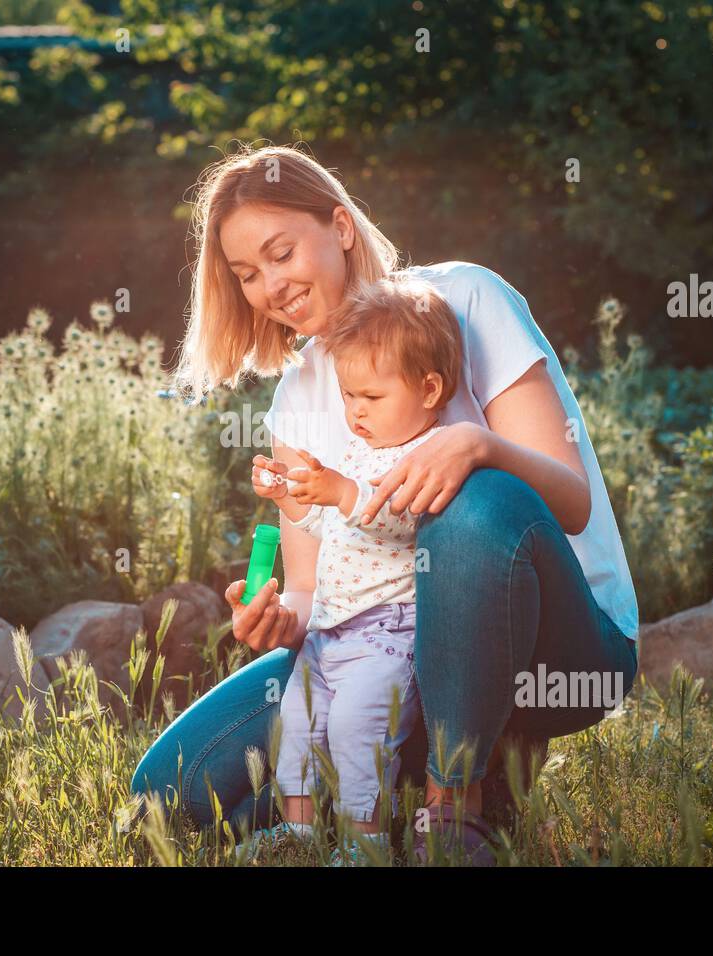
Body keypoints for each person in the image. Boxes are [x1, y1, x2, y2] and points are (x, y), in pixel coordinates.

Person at [132, 143, 639, 864]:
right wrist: (279, 617)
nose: (270, 285)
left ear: (340, 225)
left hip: (556, 649)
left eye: (281, 253)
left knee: (474, 498)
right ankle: (355, 798)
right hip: (368, 649)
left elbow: (573, 502)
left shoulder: (467, 298)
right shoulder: (293, 403)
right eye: (247, 274)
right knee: (165, 789)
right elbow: (311, 595)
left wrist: (477, 445)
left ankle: (451, 816)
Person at [252, 274, 460, 861]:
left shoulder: (429, 454)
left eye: (371, 398)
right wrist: (291, 498)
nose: (355, 411)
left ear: (428, 388)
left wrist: (341, 490)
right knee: (294, 726)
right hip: (326, 631)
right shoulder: (354, 451)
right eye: (347, 396)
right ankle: (295, 832)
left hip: (386, 634)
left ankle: (364, 844)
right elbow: (329, 528)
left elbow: (399, 518)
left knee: (356, 735)